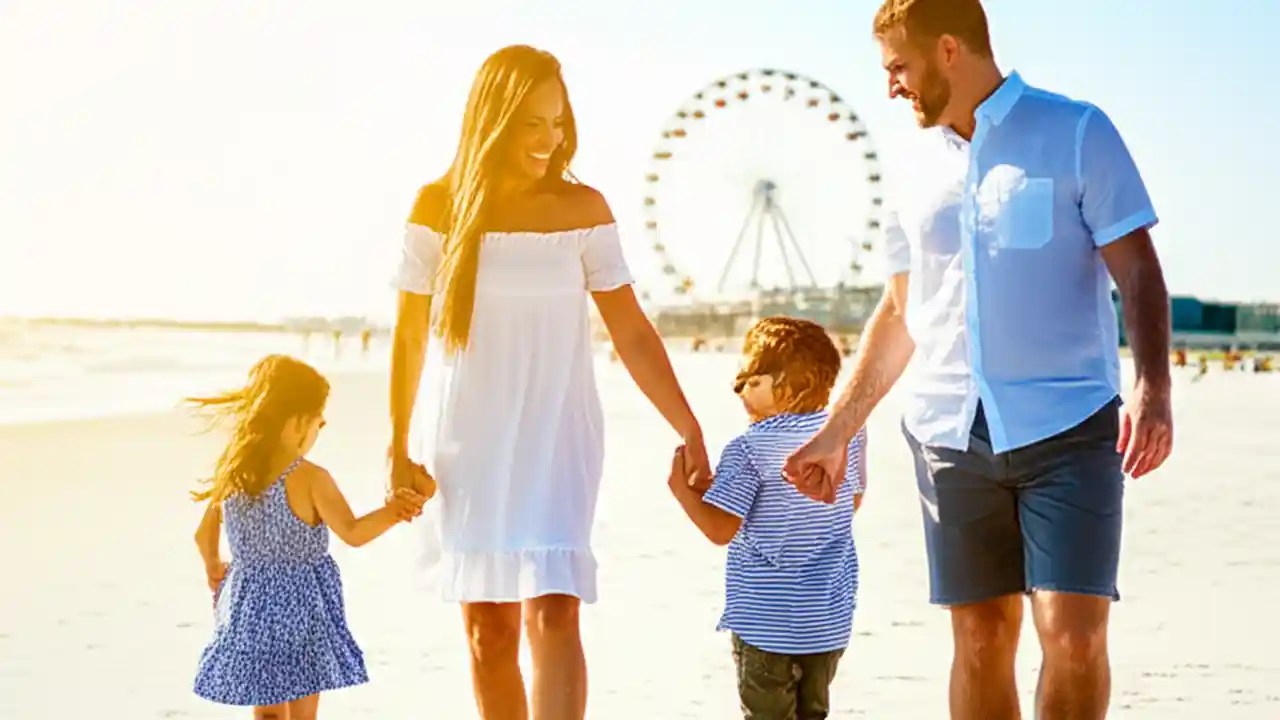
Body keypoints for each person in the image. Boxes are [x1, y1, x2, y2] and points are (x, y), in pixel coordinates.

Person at [782, 1, 1174, 718]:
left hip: (1069, 423)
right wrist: (839, 429)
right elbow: (901, 311)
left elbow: (1139, 271)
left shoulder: (1077, 131)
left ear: (950, 49)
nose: (891, 86)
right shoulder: (909, 167)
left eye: (899, 66)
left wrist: (1154, 387)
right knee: (983, 639)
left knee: (1074, 636)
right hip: (947, 433)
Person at [386, 44, 711, 720]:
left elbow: (632, 331)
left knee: (557, 612)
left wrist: (687, 422)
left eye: (558, 122)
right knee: (488, 630)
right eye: (533, 123)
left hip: (559, 434)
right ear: (494, 119)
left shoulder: (583, 207)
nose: (550, 139)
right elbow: (411, 336)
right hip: (467, 439)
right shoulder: (438, 207)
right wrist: (397, 446)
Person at [189, 355, 430, 719]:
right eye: (320, 421)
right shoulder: (310, 478)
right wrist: (396, 511)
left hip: (250, 605)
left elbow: (203, 531)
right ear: (297, 421)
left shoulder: (236, 472)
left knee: (268, 710)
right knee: (303, 711)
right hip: (303, 606)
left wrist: (212, 562)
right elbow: (353, 532)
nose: (320, 429)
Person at [667, 317, 866, 719]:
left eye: (753, 382)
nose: (741, 391)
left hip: (765, 623)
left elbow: (720, 529)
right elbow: (850, 501)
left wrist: (682, 492)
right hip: (826, 621)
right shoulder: (849, 435)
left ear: (798, 384)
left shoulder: (747, 448)